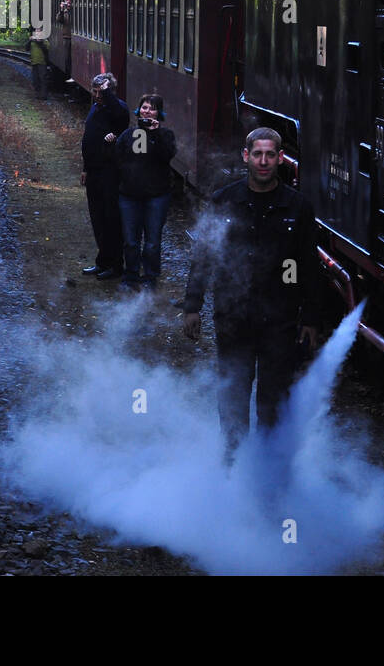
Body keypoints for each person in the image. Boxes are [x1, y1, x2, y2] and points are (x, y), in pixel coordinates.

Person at [182, 127, 322, 460]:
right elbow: (204, 255)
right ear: (246, 156)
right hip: (233, 317)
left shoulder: (298, 207)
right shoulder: (223, 201)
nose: (263, 161)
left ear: (280, 159)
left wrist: (311, 318)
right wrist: (192, 305)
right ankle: (232, 465)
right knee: (232, 393)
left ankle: (266, 468)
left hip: (280, 319)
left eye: (270, 155)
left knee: (273, 398)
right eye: (257, 154)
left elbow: (309, 266)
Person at [115, 93, 176, 288]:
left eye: (151, 108)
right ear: (138, 110)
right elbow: (118, 158)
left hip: (156, 196)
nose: (147, 111)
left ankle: (150, 276)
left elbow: (167, 156)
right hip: (130, 196)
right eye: (144, 107)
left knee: (152, 241)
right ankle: (131, 274)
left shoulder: (166, 135)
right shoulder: (129, 134)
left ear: (159, 113)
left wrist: (155, 134)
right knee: (131, 240)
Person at [81, 73, 129, 279]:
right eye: (95, 91)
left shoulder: (117, 108)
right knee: (97, 219)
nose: (97, 95)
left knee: (111, 219)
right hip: (93, 170)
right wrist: (85, 168)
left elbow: (120, 118)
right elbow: (89, 140)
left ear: (110, 91)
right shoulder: (95, 107)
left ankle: (116, 265)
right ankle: (102, 261)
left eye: (100, 91)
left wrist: (107, 92)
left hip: (109, 172)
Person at [28, 27, 50, 99]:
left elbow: (46, 49)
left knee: (43, 79)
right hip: (34, 62)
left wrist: (39, 41)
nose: (37, 32)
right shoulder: (32, 41)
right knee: (35, 80)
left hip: (42, 63)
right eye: (36, 30)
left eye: (39, 31)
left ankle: (43, 95)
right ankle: (37, 94)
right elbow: (26, 48)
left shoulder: (45, 41)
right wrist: (30, 41)